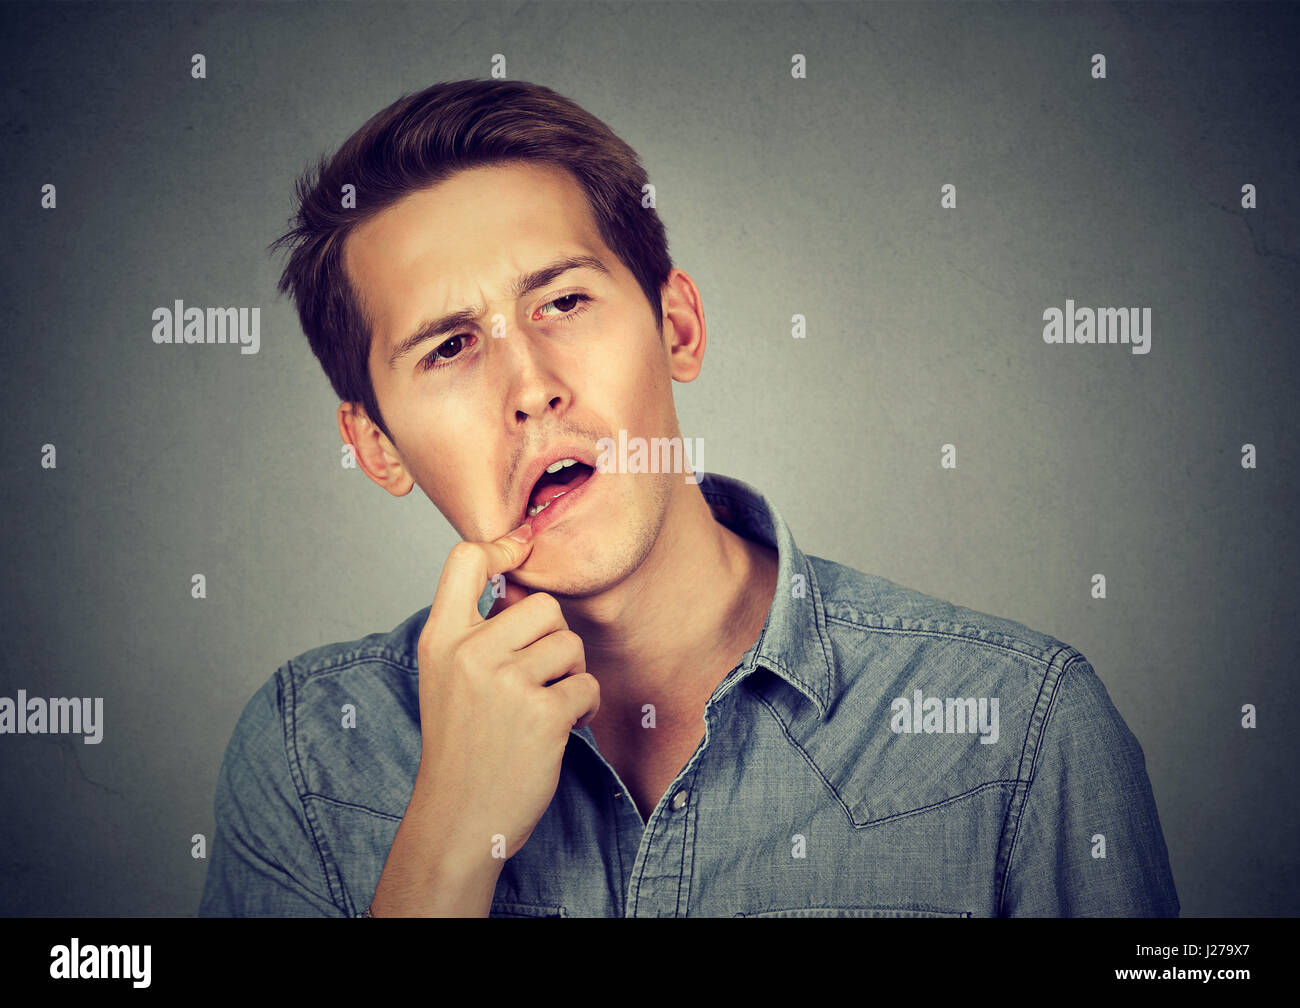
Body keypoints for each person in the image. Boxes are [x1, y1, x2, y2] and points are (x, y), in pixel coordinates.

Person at [199, 79, 1179, 918]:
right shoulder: (308, 756)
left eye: (564, 302)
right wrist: (448, 846)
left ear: (676, 328)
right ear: (376, 446)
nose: (531, 386)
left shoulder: (1019, 725)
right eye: (451, 347)